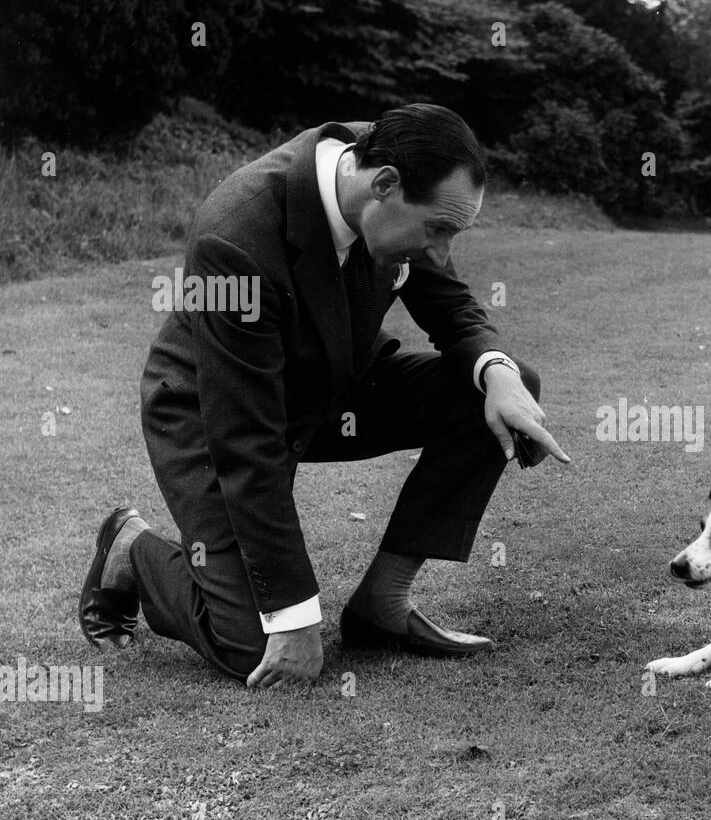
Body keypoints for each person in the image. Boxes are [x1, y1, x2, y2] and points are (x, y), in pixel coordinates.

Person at [79, 103, 569, 689]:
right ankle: (132, 551)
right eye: (437, 229)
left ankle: (383, 602)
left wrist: (498, 372)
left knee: (499, 387)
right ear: (383, 186)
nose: (440, 250)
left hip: (334, 389)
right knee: (252, 648)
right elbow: (246, 438)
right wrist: (293, 614)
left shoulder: (393, 164)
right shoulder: (235, 237)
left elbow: (447, 301)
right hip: (214, 414)